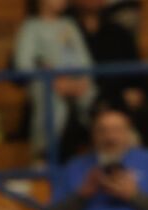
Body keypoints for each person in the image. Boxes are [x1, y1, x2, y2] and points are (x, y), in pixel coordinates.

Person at [68, 0, 148, 149]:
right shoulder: (66, 32)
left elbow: (140, 78)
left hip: (122, 103)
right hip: (83, 104)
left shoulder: (119, 33)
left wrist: (139, 93)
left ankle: (142, 162)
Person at [13, 0, 94, 162]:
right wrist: (52, 78)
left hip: (76, 83)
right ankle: (42, 155)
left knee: (95, 97)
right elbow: (24, 65)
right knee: (53, 105)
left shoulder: (69, 25)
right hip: (47, 84)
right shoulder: (31, 27)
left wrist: (79, 81)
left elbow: (84, 61)